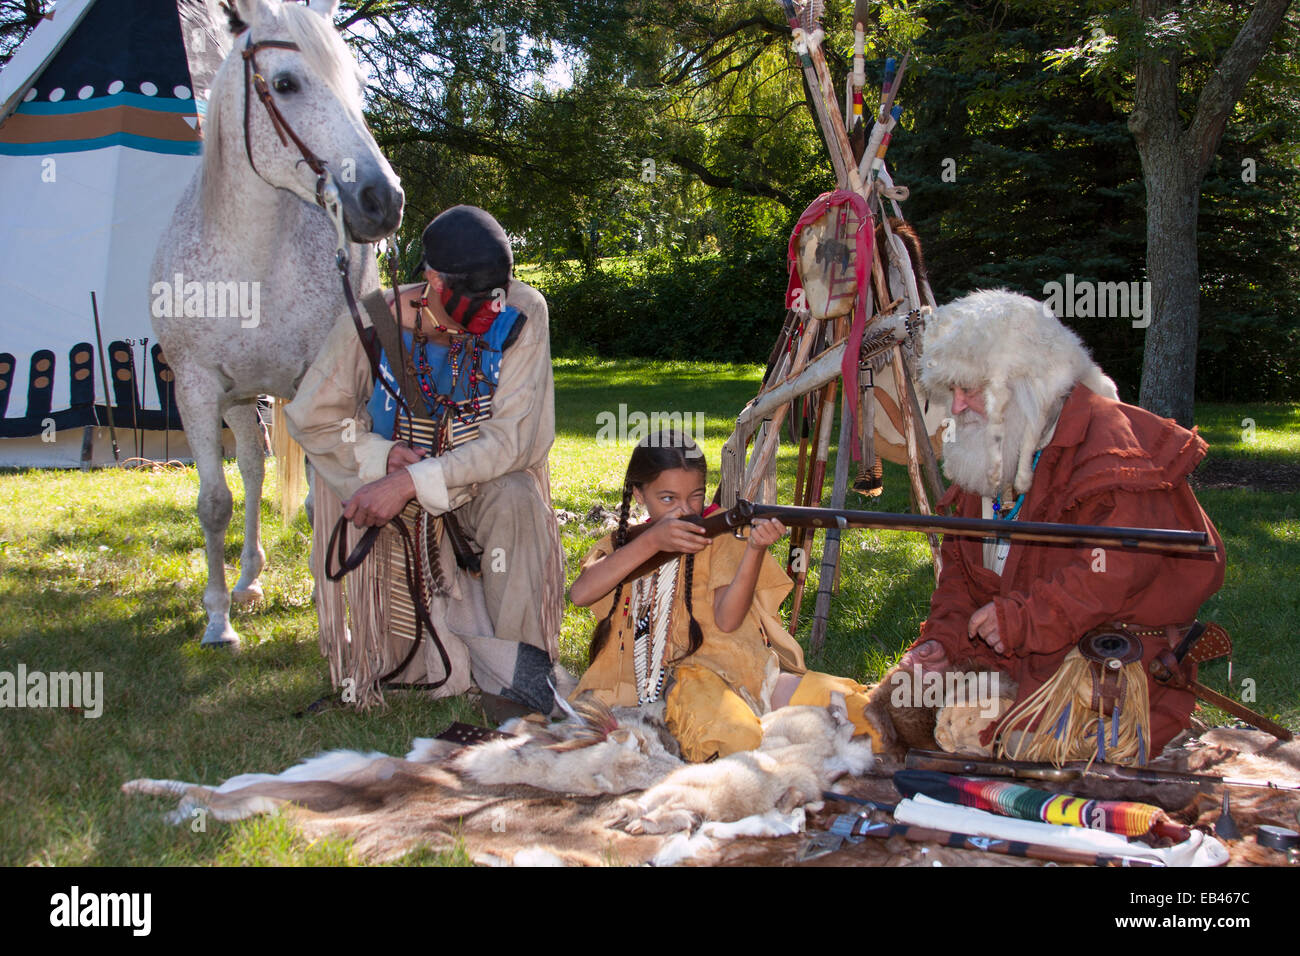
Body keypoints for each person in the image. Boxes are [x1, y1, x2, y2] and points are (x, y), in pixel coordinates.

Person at [895, 289, 1225, 763]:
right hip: (1010, 662)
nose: (959, 406)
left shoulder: (1111, 450)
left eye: (973, 390)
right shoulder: (984, 452)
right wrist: (941, 642)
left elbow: (1114, 572)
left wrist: (1022, 618)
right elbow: (961, 579)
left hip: (1098, 672)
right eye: (953, 391)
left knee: (1022, 755)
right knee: (896, 709)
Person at [285, 205, 565, 719]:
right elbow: (312, 418)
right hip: (396, 491)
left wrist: (417, 479)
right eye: (474, 299)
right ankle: (407, 657)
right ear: (432, 280)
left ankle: (518, 679)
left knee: (518, 496)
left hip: (481, 481)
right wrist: (381, 456)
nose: (490, 311)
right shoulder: (374, 321)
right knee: (413, 666)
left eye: (497, 295)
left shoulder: (524, 311)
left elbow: (515, 440)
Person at [570, 430, 884, 762]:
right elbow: (581, 593)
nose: (684, 509)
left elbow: (728, 619)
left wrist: (755, 548)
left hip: (743, 671)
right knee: (735, 737)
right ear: (638, 494)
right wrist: (652, 542)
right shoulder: (625, 544)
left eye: (695, 496)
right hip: (675, 681)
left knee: (860, 712)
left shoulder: (719, 536)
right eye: (667, 499)